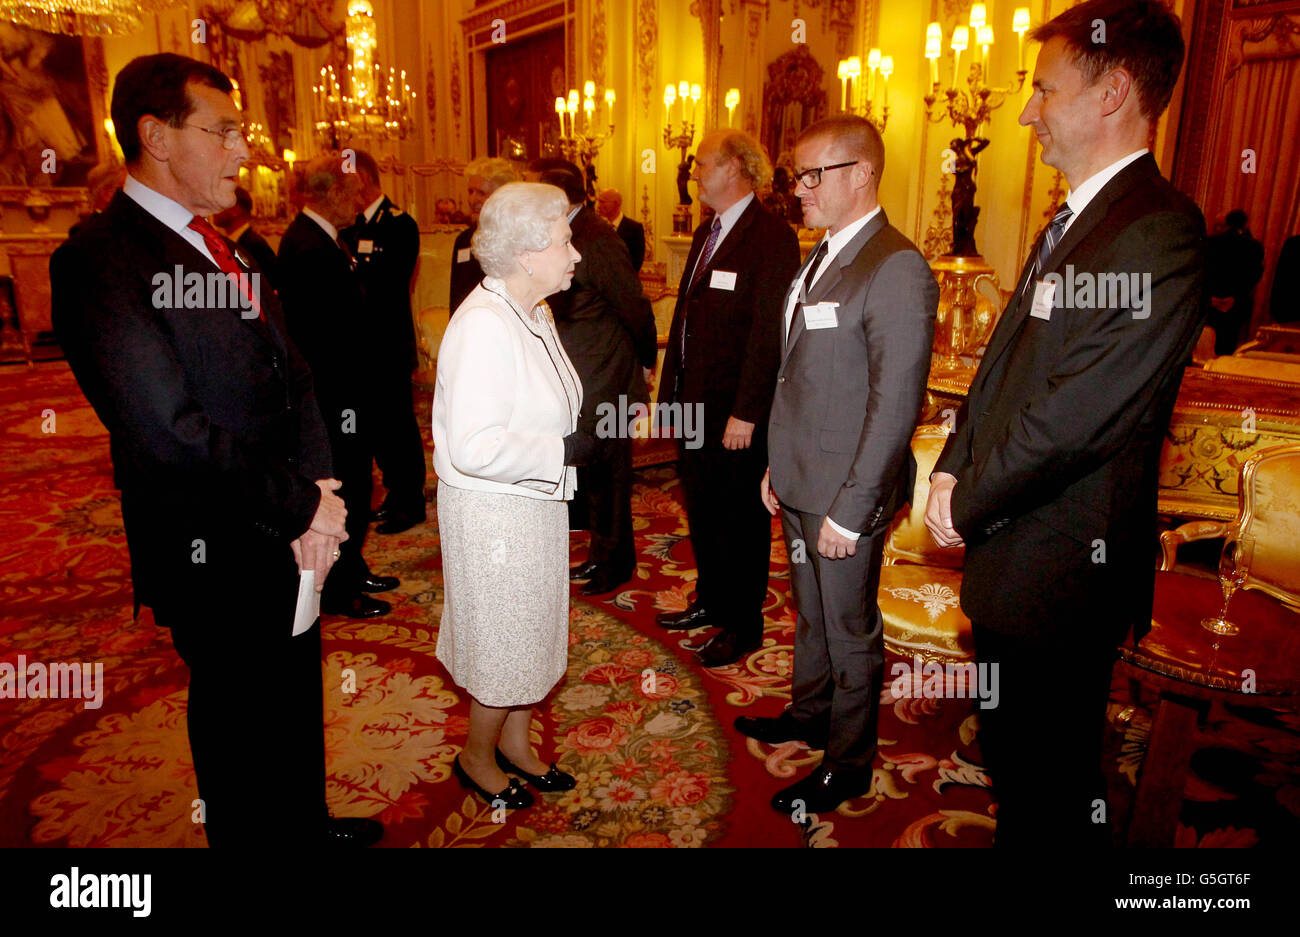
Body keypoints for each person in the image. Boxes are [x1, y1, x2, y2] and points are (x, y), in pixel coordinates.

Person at [50, 52, 380, 847]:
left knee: (294, 686)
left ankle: (303, 822)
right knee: (238, 712)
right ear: (156, 135)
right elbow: (169, 430)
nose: (244, 152)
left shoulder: (237, 248)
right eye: (225, 131)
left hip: (294, 522)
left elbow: (296, 377)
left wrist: (322, 496)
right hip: (213, 541)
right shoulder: (101, 259)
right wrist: (301, 502)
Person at [924, 0, 1205, 848]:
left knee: (1053, 784)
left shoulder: (1159, 231)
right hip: (1015, 561)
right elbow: (1002, 368)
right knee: (1018, 762)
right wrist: (950, 461)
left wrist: (963, 498)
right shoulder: (1073, 221)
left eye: (1044, 89)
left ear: (1113, 89)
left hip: (1064, 571)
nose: (1025, 111)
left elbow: (1074, 420)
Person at [743, 116, 938, 813]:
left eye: (811, 175)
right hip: (798, 479)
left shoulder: (896, 265)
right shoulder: (821, 254)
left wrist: (853, 510)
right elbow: (801, 375)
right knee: (812, 613)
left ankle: (850, 760)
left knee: (850, 629)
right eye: (796, 175)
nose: (797, 189)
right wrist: (777, 462)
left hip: (845, 496)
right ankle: (809, 711)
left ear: (860, 173)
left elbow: (895, 404)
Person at [432, 182, 593, 808]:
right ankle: (477, 755)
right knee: (504, 637)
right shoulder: (483, 327)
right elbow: (474, 446)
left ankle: (517, 747)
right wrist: (564, 452)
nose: (575, 254)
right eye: (565, 241)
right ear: (528, 254)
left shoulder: (533, 308)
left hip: (531, 503)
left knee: (534, 628)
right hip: (495, 512)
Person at [656, 130, 801, 668]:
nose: (695, 171)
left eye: (703, 163)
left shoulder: (772, 237)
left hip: (737, 412)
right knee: (702, 507)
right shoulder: (705, 233)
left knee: (739, 518)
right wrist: (671, 393)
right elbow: (686, 321)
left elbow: (769, 333)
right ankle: (712, 600)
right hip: (695, 404)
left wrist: (747, 410)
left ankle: (743, 623)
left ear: (737, 168)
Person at [532, 160, 657, 597]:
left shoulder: (599, 237)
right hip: (580, 373)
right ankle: (600, 555)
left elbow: (634, 305)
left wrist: (646, 361)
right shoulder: (567, 232)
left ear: (558, 197)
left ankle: (616, 563)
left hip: (607, 373)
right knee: (592, 476)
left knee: (611, 475)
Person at [278, 154, 396, 619]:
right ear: (329, 195)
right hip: (334, 396)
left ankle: (354, 567)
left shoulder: (325, 240)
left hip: (344, 392)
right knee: (345, 488)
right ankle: (342, 589)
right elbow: (328, 337)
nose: (359, 201)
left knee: (355, 483)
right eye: (351, 193)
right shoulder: (309, 247)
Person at [340, 149, 426, 535]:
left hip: (388, 345)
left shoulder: (399, 224)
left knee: (398, 426)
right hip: (360, 349)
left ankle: (411, 500)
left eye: (346, 178)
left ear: (363, 178)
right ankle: (394, 491)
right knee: (374, 428)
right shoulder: (348, 227)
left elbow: (388, 285)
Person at [449, 156, 519, 313]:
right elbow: (455, 299)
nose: (472, 199)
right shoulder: (463, 240)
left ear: (502, 197)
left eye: (481, 193)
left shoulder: (515, 239)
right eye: (470, 191)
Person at [1205, 209, 1265, 353]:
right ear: (1245, 224)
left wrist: (1210, 296)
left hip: (1210, 300)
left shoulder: (1211, 242)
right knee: (1228, 342)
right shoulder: (1254, 246)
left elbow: (1202, 270)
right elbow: (1254, 275)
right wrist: (1236, 296)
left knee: (1206, 340)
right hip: (1237, 302)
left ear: (1227, 224)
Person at [213, 185, 278, 292]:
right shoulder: (228, 242)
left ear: (236, 210)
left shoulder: (254, 244)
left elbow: (269, 287)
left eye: (219, 204)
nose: (214, 211)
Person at [595, 187, 646, 271]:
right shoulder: (597, 227)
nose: (599, 206)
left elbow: (636, 261)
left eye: (602, 201)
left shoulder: (634, 229)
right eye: (598, 201)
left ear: (616, 203)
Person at [1271, 234, 1300, 324]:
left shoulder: (1293, 243)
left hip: (1289, 308)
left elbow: (1281, 277)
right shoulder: (1293, 243)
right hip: (1289, 308)